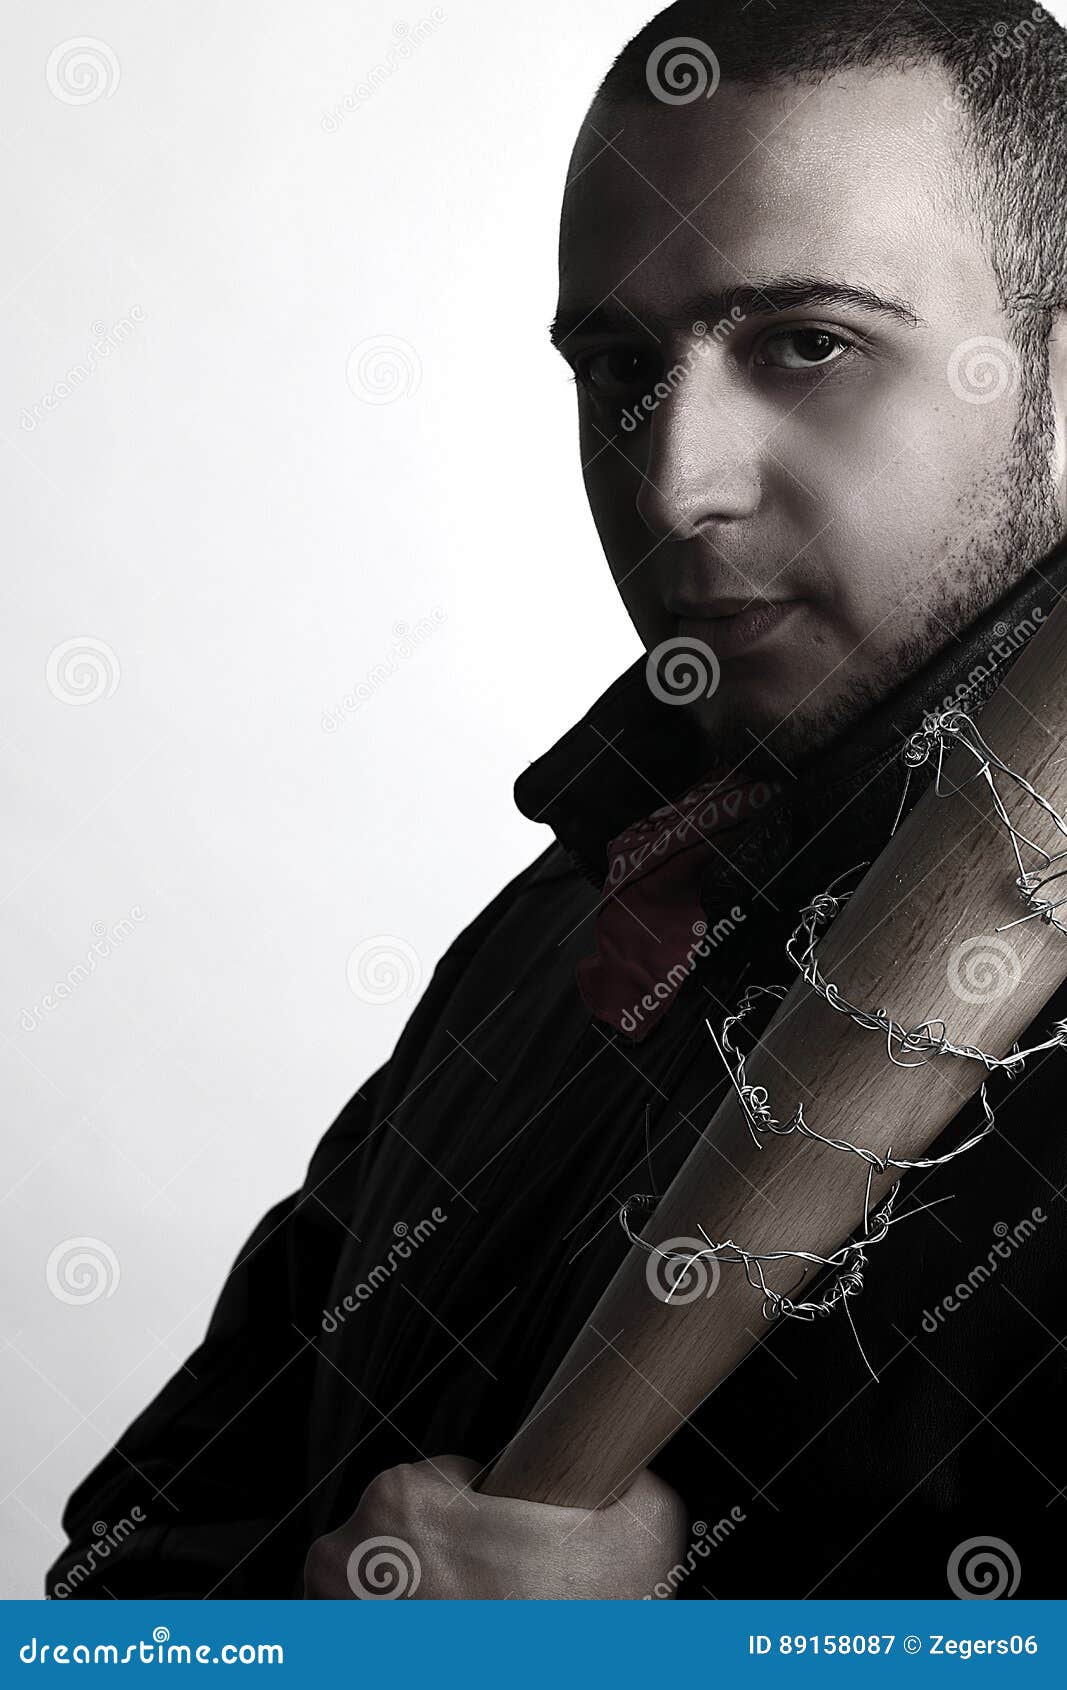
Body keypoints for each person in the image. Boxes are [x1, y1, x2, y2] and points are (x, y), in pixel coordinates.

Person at [48, 0, 1067, 1600]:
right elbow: (123, 1578)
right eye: (620, 365)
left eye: (808, 343)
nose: (676, 482)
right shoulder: (565, 929)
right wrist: (331, 1623)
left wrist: (698, 1655)